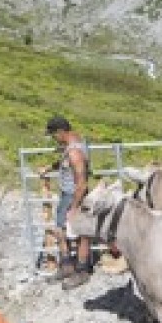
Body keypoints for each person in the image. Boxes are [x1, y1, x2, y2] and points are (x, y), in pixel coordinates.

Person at [36, 115, 98, 289]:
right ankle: (67, 266)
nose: (54, 139)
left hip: (74, 195)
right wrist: (50, 167)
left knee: (79, 233)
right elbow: (65, 162)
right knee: (61, 229)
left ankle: (82, 270)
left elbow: (82, 182)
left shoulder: (75, 152)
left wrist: (75, 206)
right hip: (68, 195)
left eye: (54, 135)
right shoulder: (72, 146)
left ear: (61, 132)